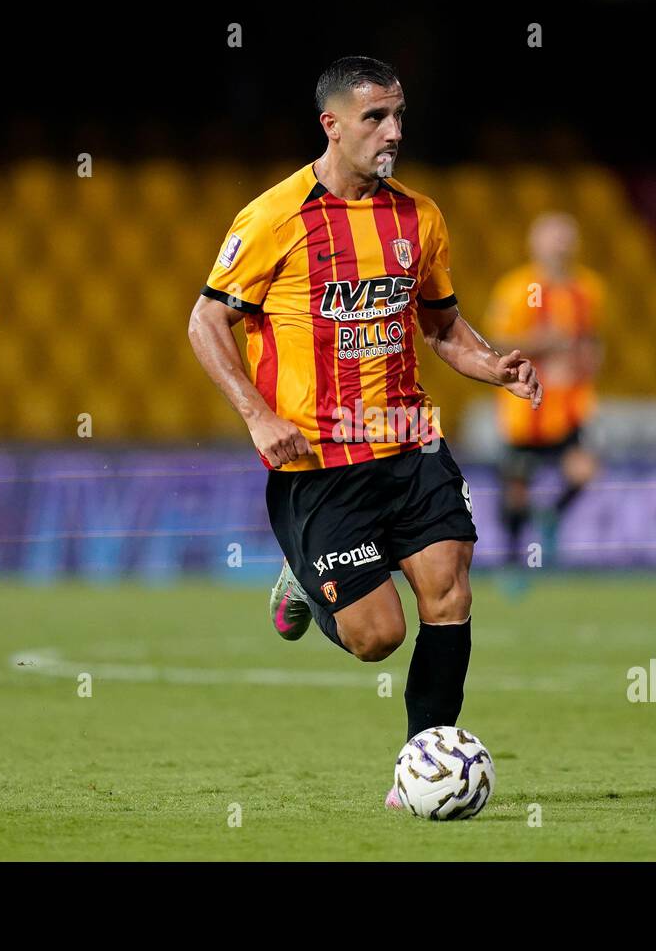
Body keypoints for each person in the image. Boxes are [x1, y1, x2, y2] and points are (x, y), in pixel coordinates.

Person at [187, 56, 542, 809]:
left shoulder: (420, 217)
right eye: (376, 117)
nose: (394, 131)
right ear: (333, 124)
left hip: (411, 444)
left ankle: (424, 767)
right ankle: (307, 585)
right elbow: (206, 319)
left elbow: (442, 326)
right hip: (319, 462)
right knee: (376, 636)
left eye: (400, 115)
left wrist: (496, 366)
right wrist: (258, 413)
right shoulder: (273, 216)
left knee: (448, 593)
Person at [486, 213, 602, 572]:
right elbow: (496, 342)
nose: (561, 246)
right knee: (516, 490)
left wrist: (589, 358)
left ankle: (550, 517)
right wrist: (543, 343)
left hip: (568, 408)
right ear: (535, 244)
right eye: (554, 239)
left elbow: (592, 340)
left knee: (584, 472)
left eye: (566, 238)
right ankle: (511, 562)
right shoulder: (516, 288)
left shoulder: (590, 289)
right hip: (524, 409)